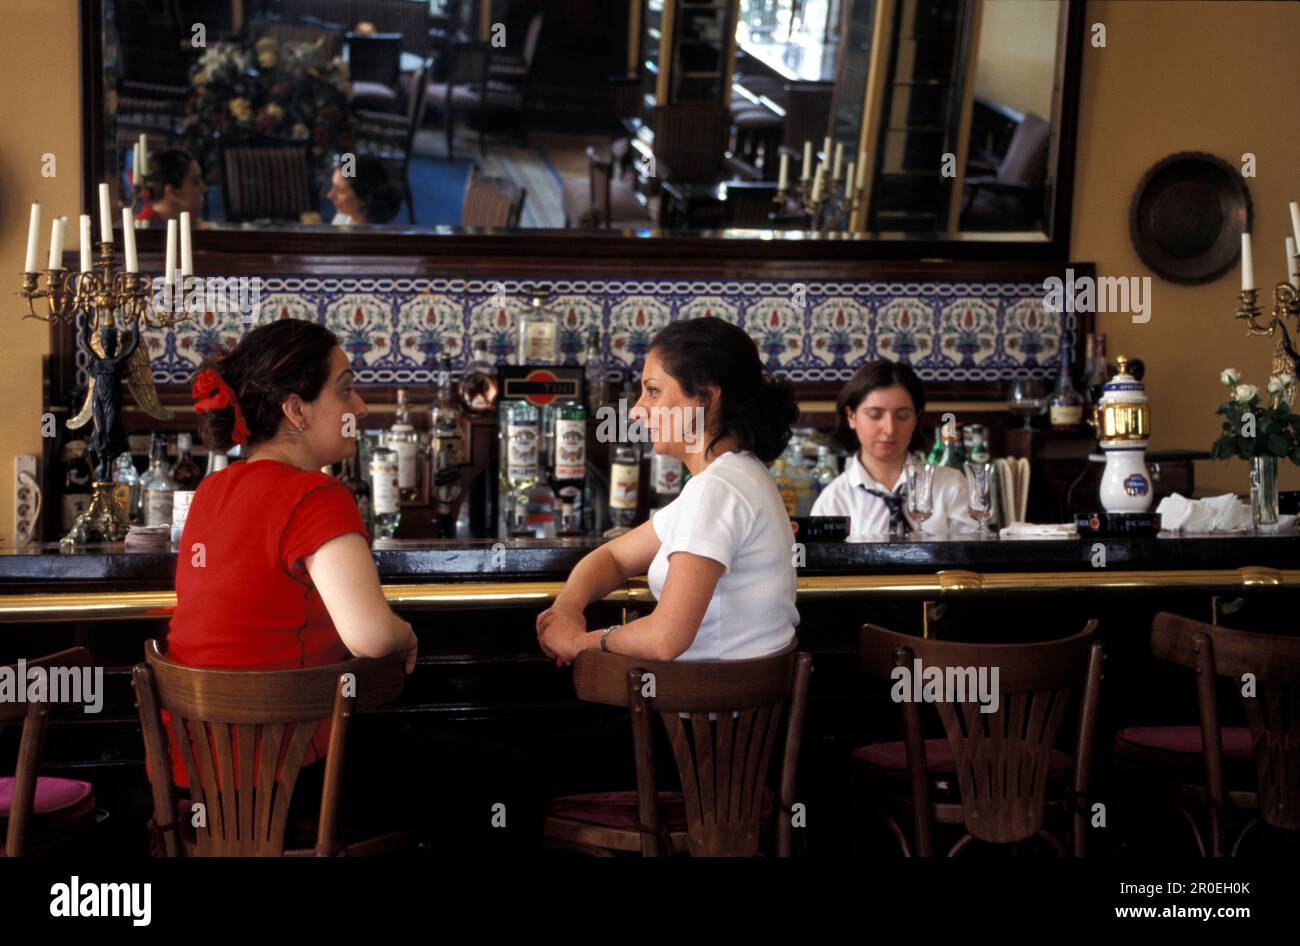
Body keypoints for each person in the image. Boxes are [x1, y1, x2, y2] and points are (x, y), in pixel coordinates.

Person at [167, 319, 534, 852]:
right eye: (345, 389)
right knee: (505, 776)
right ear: (296, 410)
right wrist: (403, 631)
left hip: (199, 773)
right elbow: (372, 639)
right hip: (288, 775)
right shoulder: (314, 495)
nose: (360, 408)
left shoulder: (210, 491)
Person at [536, 317, 801, 665]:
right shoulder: (736, 474)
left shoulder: (717, 490)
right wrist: (568, 608)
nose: (637, 409)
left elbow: (665, 639)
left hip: (708, 713)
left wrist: (577, 642)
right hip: (726, 708)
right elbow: (613, 558)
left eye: (653, 391)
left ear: (704, 399)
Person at [811, 359, 976, 537]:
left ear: (915, 419)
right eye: (875, 415)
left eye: (903, 416)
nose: (889, 429)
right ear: (851, 417)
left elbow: (973, 560)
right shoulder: (833, 501)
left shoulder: (950, 486)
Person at [326, 155, 403, 225]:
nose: (330, 195)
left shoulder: (378, 238)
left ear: (365, 198)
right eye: (333, 187)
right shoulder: (343, 219)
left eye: (340, 191)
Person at [136, 149, 205, 223]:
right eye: (195, 182)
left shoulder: (189, 217)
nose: (204, 188)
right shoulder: (143, 227)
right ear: (172, 191)